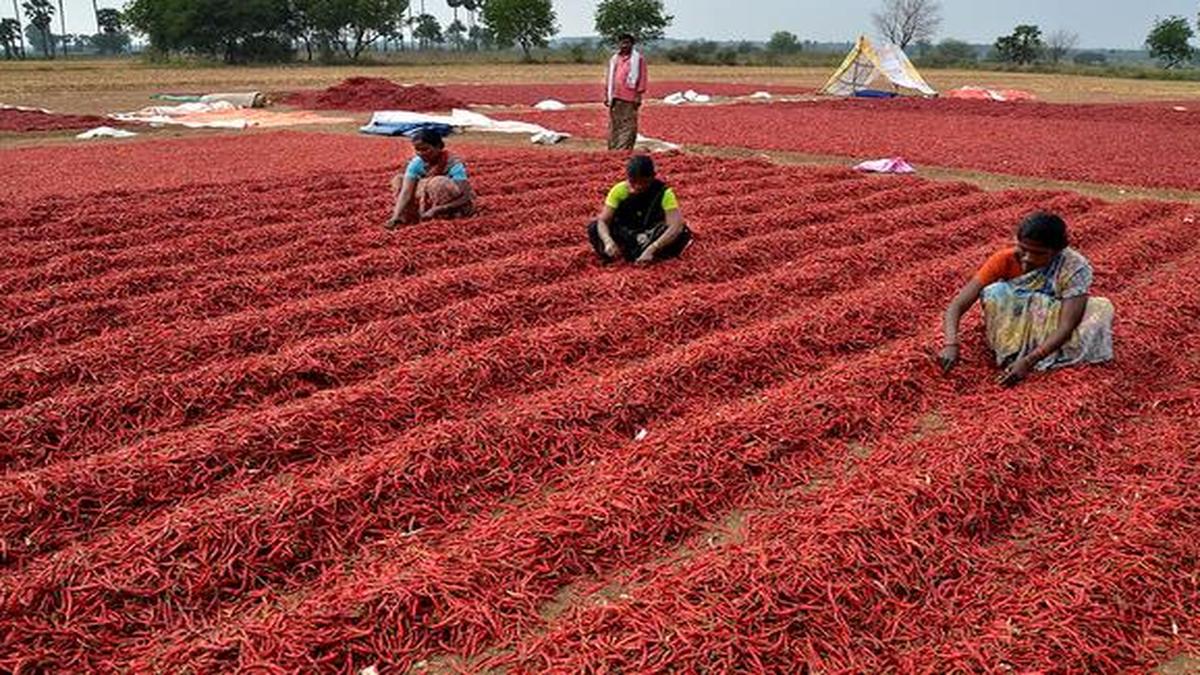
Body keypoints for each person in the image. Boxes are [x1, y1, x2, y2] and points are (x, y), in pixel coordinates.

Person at [938, 211, 1114, 386]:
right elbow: (957, 305)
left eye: (1038, 253)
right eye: (1023, 249)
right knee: (995, 292)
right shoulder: (1004, 260)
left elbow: (1067, 325)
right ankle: (1010, 352)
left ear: (1057, 251)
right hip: (1017, 323)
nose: (1027, 258)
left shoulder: (1073, 267)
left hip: (1052, 323)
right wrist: (950, 343)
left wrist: (1029, 361)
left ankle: (1041, 354)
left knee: (1100, 308)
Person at [588, 154, 692, 265]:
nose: (638, 186)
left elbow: (675, 225)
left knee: (682, 233)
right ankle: (620, 255)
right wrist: (608, 241)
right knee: (594, 227)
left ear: (652, 177)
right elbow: (603, 221)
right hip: (627, 233)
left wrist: (652, 248)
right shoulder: (619, 190)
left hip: (650, 234)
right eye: (633, 182)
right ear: (627, 177)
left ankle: (647, 255)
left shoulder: (663, 193)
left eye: (644, 182)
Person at [385, 128, 475, 229]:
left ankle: (446, 216)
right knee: (399, 180)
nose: (421, 153)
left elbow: (465, 196)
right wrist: (395, 216)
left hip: (452, 203)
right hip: (430, 201)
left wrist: (437, 209)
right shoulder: (416, 163)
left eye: (425, 149)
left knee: (438, 183)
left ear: (439, 147)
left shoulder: (453, 163)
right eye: (417, 150)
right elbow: (406, 192)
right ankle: (408, 216)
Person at [605, 33, 648, 152]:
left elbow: (642, 78)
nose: (624, 45)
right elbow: (610, 77)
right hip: (615, 96)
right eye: (622, 42)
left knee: (628, 124)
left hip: (630, 97)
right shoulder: (615, 59)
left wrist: (638, 96)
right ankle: (614, 147)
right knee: (615, 123)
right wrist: (607, 94)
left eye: (627, 43)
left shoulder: (638, 59)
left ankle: (624, 148)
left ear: (632, 44)